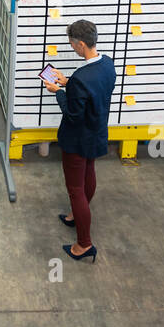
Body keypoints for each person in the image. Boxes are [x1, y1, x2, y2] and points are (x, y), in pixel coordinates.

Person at [42, 19, 115, 264]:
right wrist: (69, 83)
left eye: (73, 45)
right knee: (89, 172)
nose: (72, 48)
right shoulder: (107, 64)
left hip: (76, 138)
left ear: (81, 44)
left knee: (75, 189)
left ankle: (84, 243)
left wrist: (59, 92)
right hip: (96, 132)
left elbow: (72, 113)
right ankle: (77, 215)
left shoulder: (83, 76)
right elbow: (93, 92)